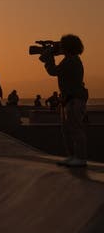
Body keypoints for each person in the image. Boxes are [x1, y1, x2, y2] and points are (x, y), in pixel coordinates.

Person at [39, 34, 88, 167]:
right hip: (68, 100)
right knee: (67, 130)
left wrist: (49, 55)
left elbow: (53, 71)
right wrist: (50, 51)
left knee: (75, 129)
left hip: (74, 100)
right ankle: (72, 157)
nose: (60, 48)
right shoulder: (70, 59)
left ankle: (80, 158)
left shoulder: (71, 61)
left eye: (62, 45)